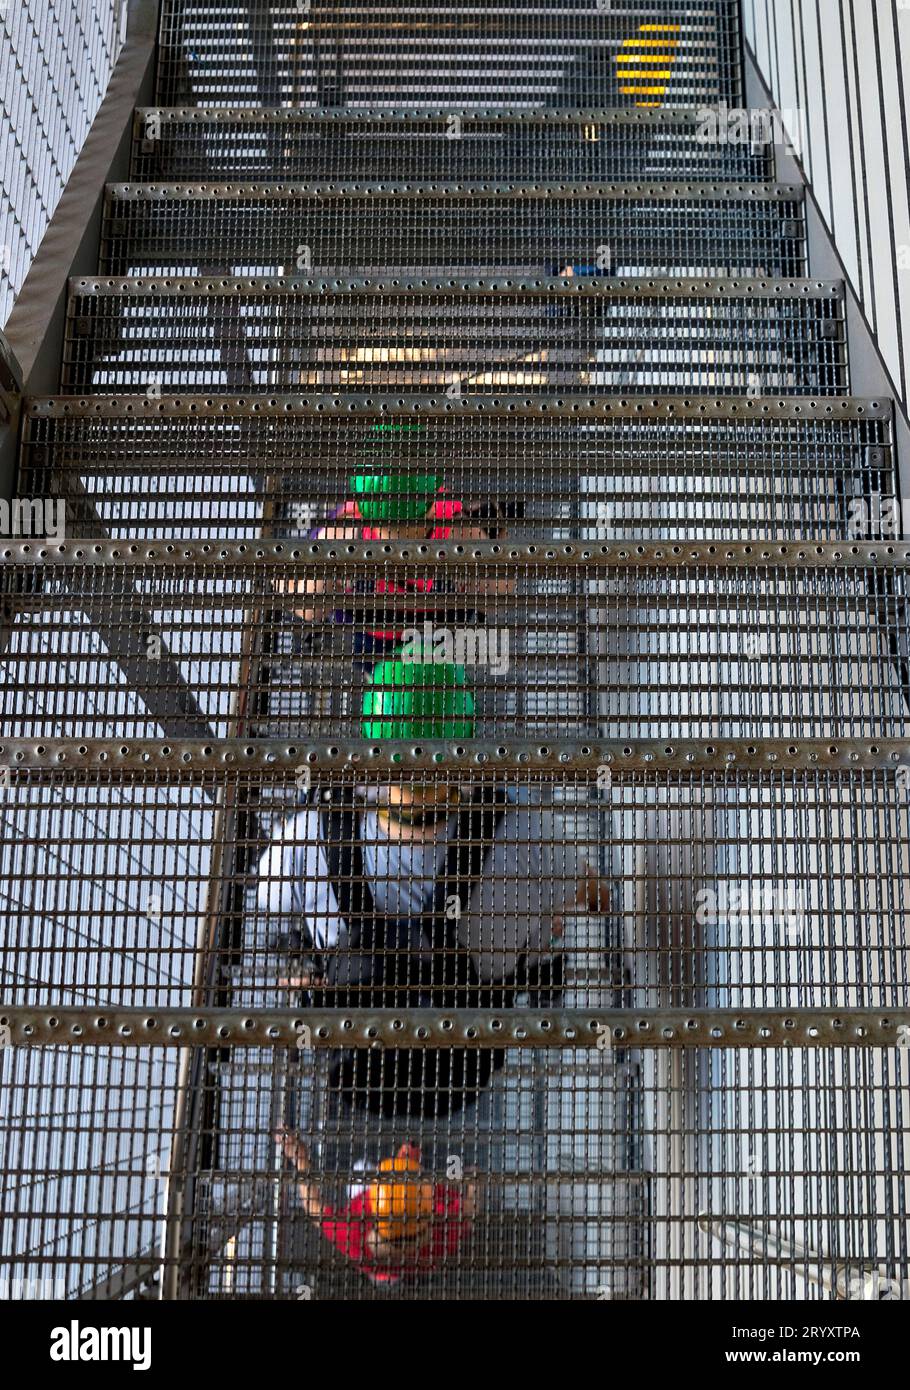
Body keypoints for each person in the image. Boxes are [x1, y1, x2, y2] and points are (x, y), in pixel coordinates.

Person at [258, 657, 611, 1116]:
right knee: (544, 933)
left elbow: (268, 905)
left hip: (360, 1070)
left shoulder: (309, 836)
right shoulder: (523, 833)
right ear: (463, 740)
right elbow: (598, 898)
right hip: (461, 1068)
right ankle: (546, 987)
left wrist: (300, 961)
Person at [280, 422, 517, 666]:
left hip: (391, 630)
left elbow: (309, 609)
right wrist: (497, 540)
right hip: (424, 628)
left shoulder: (345, 535)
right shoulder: (459, 531)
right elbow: (498, 595)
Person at [275, 1131, 475, 1286]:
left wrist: (299, 1157)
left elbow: (313, 1207)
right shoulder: (440, 1232)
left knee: (360, 1168)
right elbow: (468, 1210)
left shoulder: (353, 1234)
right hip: (411, 1262)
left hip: (384, 1259)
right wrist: (474, 1184)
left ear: (374, 1201)